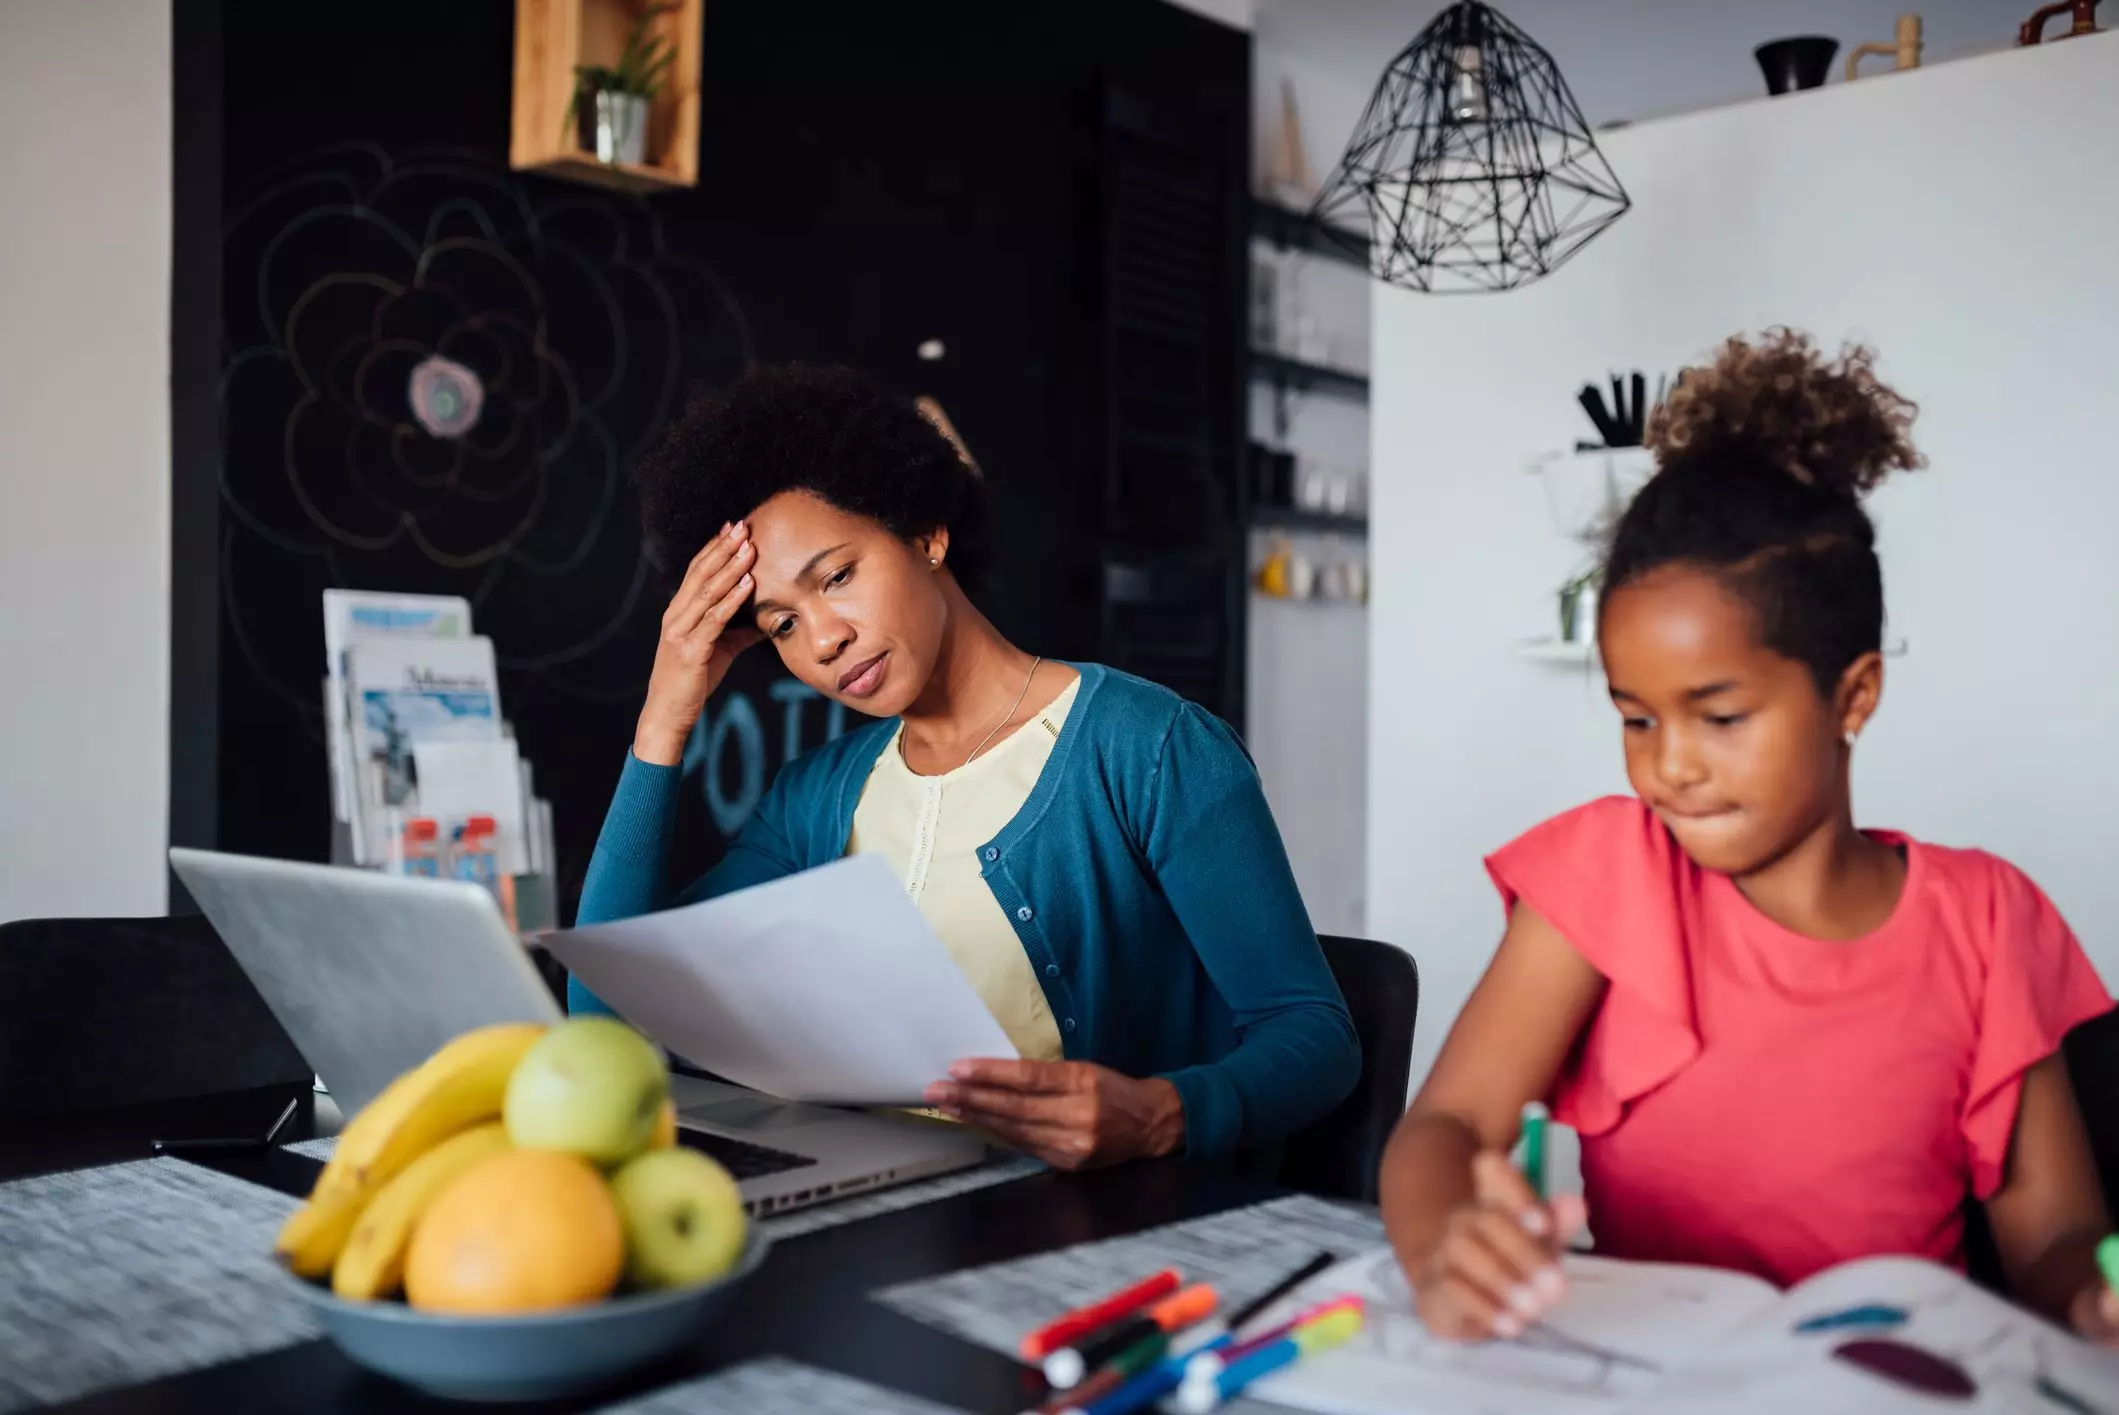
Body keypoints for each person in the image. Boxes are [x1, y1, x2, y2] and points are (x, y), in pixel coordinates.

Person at [1380, 330, 2118, 1344]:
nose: (1668, 763)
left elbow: (2057, 1234)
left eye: (1719, 716)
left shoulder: (1987, 919)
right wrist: (1443, 1232)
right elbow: (1447, 1124)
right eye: (1635, 716)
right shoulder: (1608, 875)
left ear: (1851, 694)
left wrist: (2093, 1297)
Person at [570, 363, 1359, 1170]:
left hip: (1099, 1233)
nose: (822, 640)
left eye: (837, 576)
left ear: (925, 534)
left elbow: (1315, 1035)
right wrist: (664, 714)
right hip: (881, 1227)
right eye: (780, 624)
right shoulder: (812, 799)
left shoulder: (1149, 748)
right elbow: (603, 1021)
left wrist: (1160, 1113)